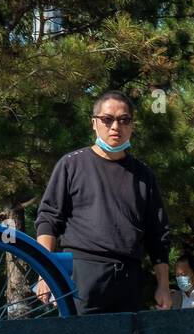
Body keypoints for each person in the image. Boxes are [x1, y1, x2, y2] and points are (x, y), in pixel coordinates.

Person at [34, 90, 171, 315]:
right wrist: (44, 273)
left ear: (132, 126)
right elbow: (49, 219)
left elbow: (158, 235)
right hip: (82, 274)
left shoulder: (144, 174)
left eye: (123, 120)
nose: (115, 126)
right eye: (107, 119)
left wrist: (163, 286)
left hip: (130, 279)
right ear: (94, 123)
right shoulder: (71, 165)